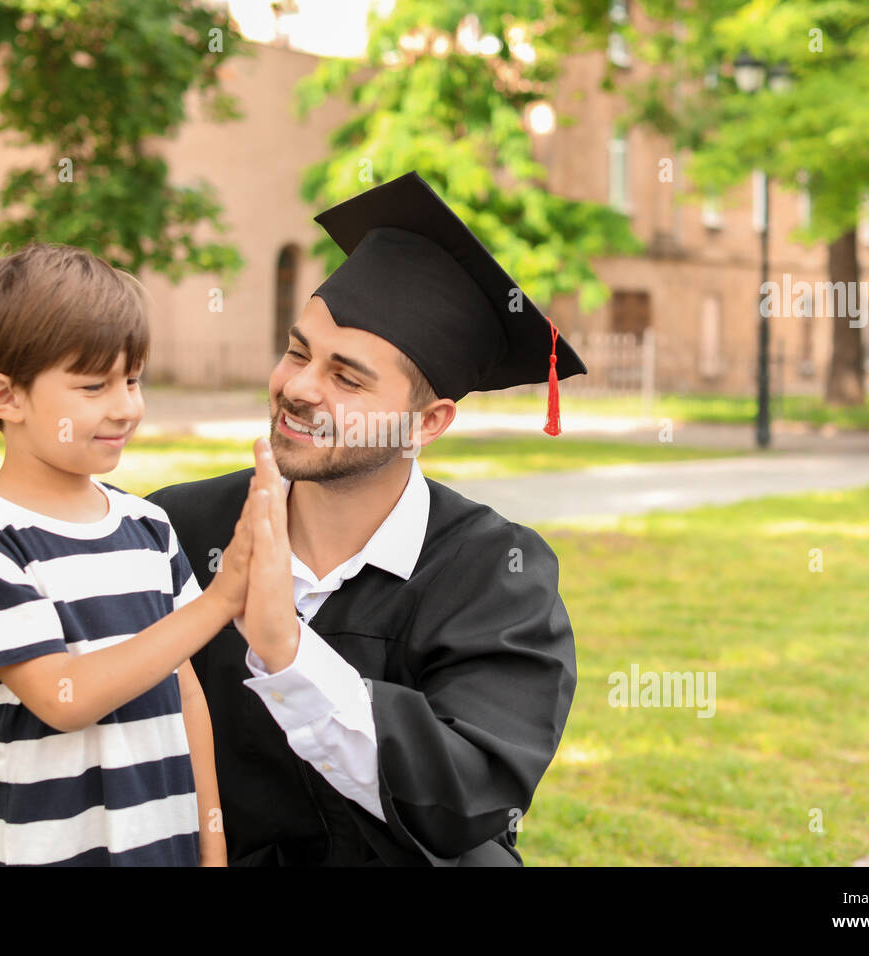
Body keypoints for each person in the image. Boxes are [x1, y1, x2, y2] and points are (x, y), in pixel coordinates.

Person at [148, 171, 583, 866]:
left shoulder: (494, 575)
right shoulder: (177, 528)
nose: (297, 388)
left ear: (427, 423)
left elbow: (469, 803)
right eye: (297, 352)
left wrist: (287, 652)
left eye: (346, 378)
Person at [0, 243, 261, 866]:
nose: (126, 406)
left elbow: (188, 693)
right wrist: (219, 601)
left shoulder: (148, 525)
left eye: (132, 379)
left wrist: (212, 847)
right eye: (93, 386)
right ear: (6, 397)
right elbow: (64, 698)